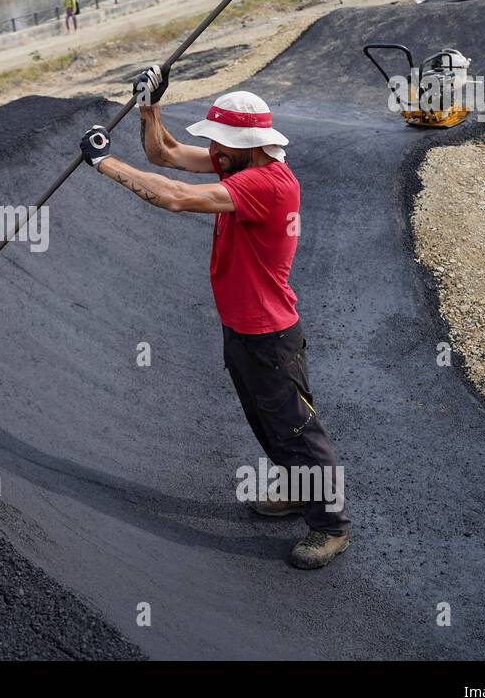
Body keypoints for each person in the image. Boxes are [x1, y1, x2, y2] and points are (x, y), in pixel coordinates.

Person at [78, 67, 351, 569]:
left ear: (249, 145)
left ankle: (330, 526)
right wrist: (148, 106)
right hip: (241, 327)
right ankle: (297, 489)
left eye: (223, 144)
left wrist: (103, 163)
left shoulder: (266, 184)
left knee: (296, 428)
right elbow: (165, 154)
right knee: (265, 422)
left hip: (270, 334)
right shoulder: (239, 163)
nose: (215, 152)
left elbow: (175, 196)